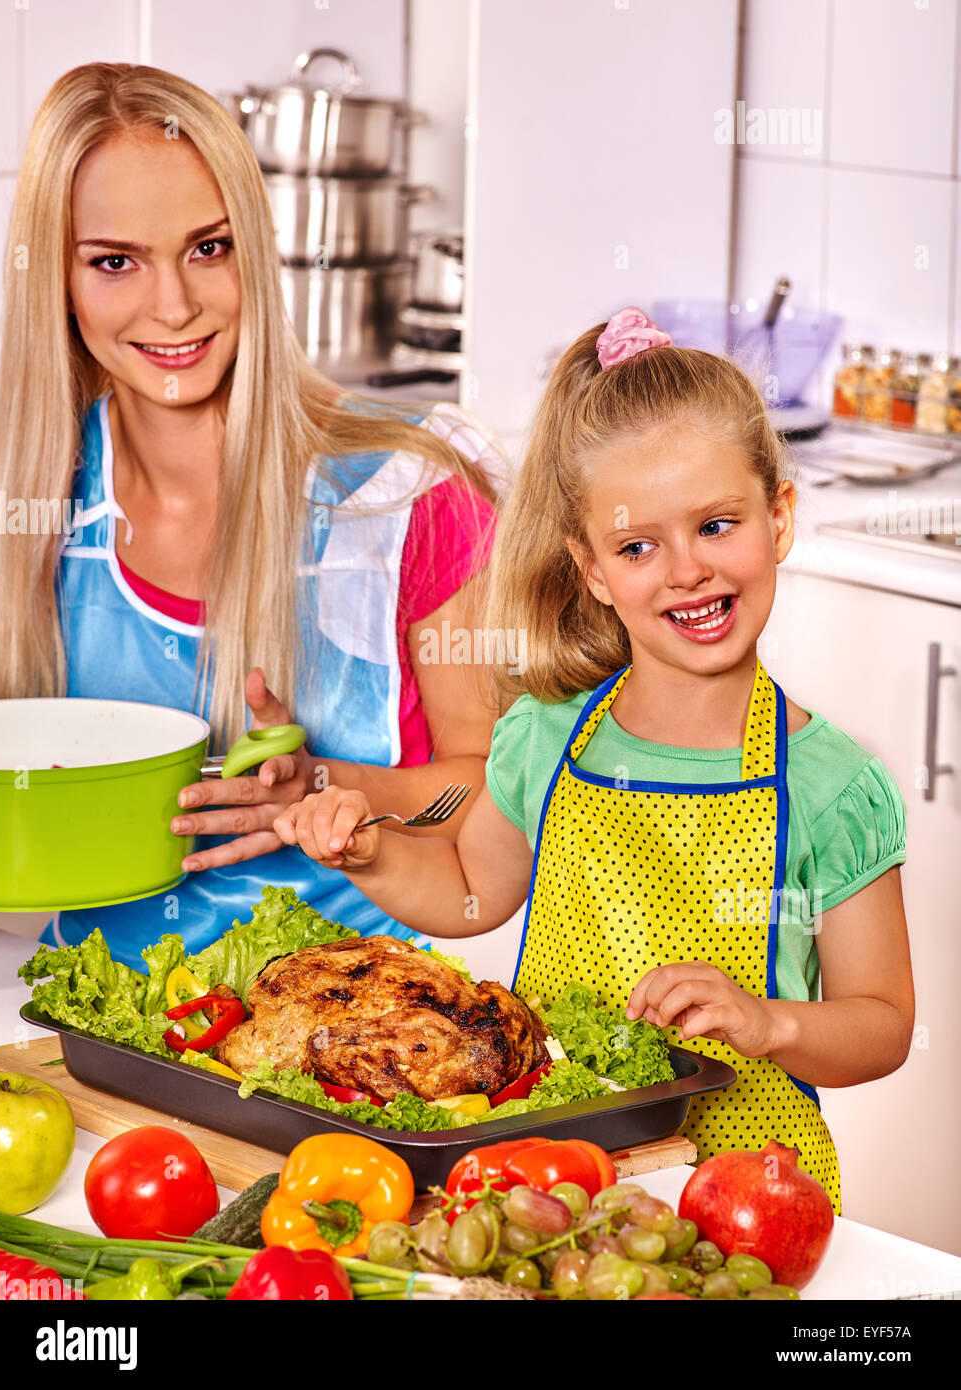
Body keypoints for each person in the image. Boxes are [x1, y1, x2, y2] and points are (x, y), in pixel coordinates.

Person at [273, 307, 916, 1213]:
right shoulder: (547, 736)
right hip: (549, 1183)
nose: (685, 570)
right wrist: (372, 854)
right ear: (592, 571)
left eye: (717, 525)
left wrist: (767, 1022)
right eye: (638, 546)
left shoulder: (832, 786)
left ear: (778, 519)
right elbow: (467, 889)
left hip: (744, 1205)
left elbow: (882, 1027)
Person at [0, 63, 503, 969]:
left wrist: (327, 787)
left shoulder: (406, 492)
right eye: (115, 262)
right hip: (88, 1018)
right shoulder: (28, 498)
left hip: (364, 1028)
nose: (175, 305)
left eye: (207, 248)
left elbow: (496, 794)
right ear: (55, 282)